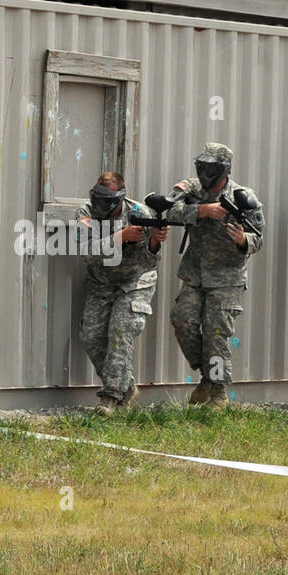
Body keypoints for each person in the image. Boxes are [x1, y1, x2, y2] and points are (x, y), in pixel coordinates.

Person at [164, 142, 265, 407]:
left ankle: (218, 393)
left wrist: (244, 240)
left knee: (216, 334)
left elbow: (259, 238)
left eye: (212, 168)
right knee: (182, 321)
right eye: (203, 167)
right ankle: (208, 375)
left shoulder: (243, 196)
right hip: (194, 274)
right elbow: (169, 210)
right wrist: (201, 210)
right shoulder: (190, 189)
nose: (206, 173)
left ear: (224, 170)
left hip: (227, 278)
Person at [75, 173, 169, 414]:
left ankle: (110, 398)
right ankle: (127, 387)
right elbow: (86, 251)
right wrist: (121, 237)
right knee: (90, 336)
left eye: (107, 201)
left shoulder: (141, 213)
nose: (101, 205)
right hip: (102, 283)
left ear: (119, 200)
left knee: (120, 329)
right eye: (98, 199)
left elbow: (151, 259)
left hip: (136, 281)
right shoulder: (85, 213)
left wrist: (155, 241)